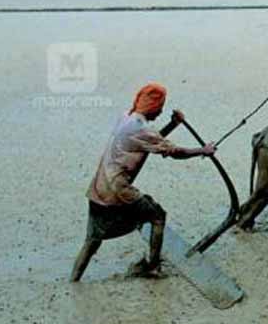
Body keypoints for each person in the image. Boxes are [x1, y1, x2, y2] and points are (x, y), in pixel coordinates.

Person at [70, 83, 216, 282]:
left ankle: (73, 281)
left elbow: (150, 141)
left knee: (92, 241)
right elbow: (174, 152)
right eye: (160, 107)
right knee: (157, 216)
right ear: (153, 107)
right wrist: (203, 151)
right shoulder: (141, 129)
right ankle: (152, 268)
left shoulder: (126, 118)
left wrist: (173, 124)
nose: (161, 111)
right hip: (119, 190)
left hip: (98, 188)